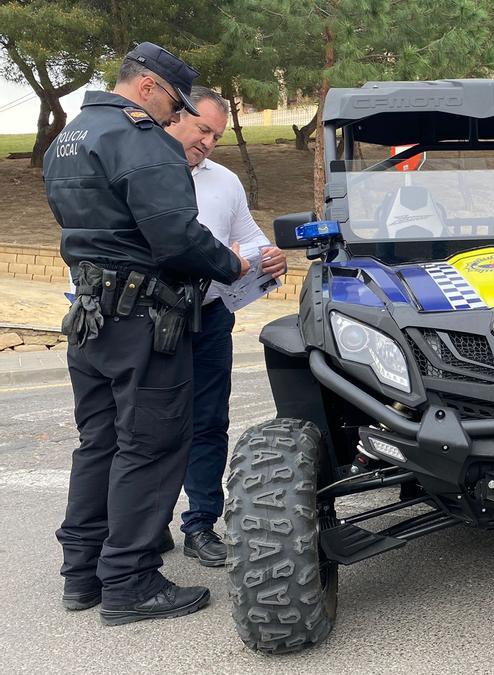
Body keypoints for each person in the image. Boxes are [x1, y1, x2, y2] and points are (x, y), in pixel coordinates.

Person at [44, 42, 249, 625]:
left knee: (99, 443)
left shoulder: (71, 136)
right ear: (148, 87)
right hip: (145, 319)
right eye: (174, 104)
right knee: (150, 444)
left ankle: (82, 572)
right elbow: (177, 238)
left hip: (90, 315)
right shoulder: (142, 140)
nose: (174, 118)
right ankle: (130, 580)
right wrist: (231, 264)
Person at [162, 86, 286, 566]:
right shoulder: (143, 173)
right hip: (157, 317)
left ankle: (201, 524)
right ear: (175, 119)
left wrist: (268, 256)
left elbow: (249, 239)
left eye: (216, 134)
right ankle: (148, 528)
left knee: (209, 422)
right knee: (152, 426)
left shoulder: (224, 181)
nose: (209, 142)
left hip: (210, 316)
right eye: (203, 130)